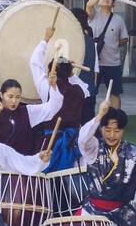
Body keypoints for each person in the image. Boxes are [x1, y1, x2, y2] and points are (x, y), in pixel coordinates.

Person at [30, 25, 91, 170]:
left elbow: (34, 63)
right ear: (71, 72)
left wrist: (45, 39)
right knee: (71, 177)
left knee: (48, 176)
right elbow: (77, 81)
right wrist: (70, 70)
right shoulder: (81, 89)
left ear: (51, 71)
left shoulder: (49, 88)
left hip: (51, 141)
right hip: (74, 140)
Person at [0, 76, 63, 157]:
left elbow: (52, 108)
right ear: (1, 95)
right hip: (2, 166)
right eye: (10, 97)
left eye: (17, 97)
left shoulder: (27, 111)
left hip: (24, 164)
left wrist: (53, 86)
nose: (14, 101)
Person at [86, 0, 128, 108]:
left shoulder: (118, 19)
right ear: (98, 1)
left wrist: (114, 44)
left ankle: (116, 120)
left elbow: (124, 39)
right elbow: (89, 5)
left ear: (114, 3)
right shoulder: (93, 15)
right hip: (94, 63)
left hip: (113, 63)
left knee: (114, 93)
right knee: (91, 93)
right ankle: (91, 121)